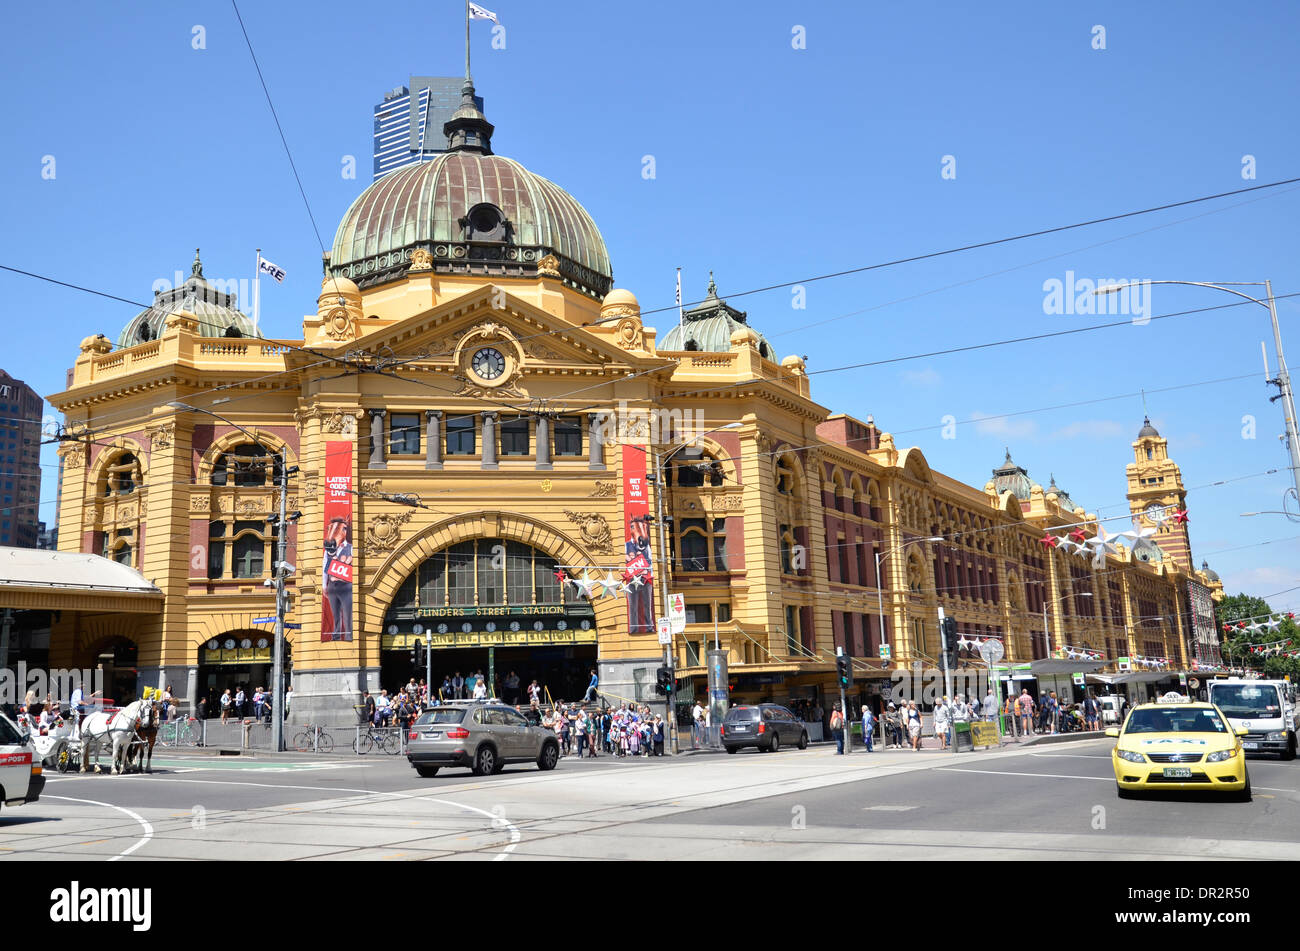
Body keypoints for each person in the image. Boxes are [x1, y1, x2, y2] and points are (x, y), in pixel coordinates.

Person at [322, 516, 354, 640]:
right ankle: (335, 637)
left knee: (348, 614)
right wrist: (324, 585)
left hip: (346, 586)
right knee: (335, 615)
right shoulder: (328, 551)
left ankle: (349, 638)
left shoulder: (351, 548)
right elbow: (325, 567)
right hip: (332, 586)